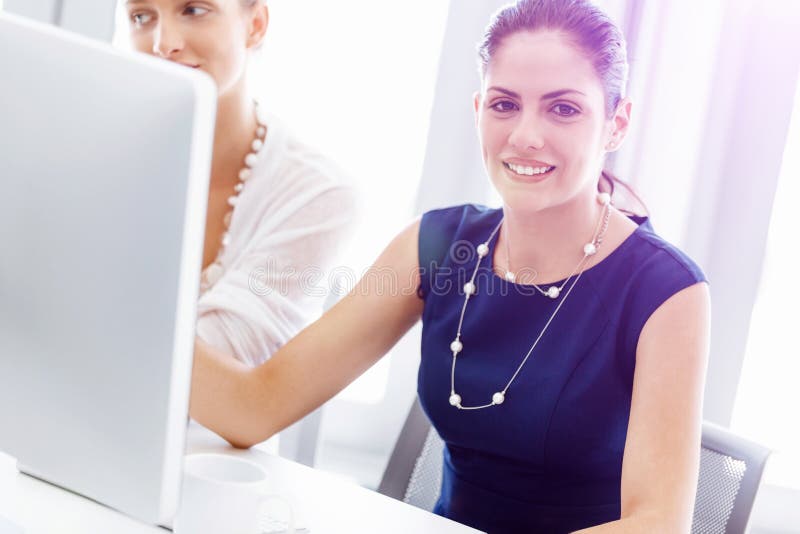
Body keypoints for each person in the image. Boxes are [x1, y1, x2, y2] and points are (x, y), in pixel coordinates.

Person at [189, 0, 710, 531]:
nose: (526, 135)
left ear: (616, 124)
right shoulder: (438, 245)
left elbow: (659, 523)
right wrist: (136, 304)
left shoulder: (666, 289)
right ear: (479, 109)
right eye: (505, 104)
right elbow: (257, 407)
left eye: (563, 109)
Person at [123, 0, 357, 365]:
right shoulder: (102, 154)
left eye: (193, 10)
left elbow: (221, 360)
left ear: (256, 24)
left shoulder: (318, 194)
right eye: (142, 16)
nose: (162, 44)